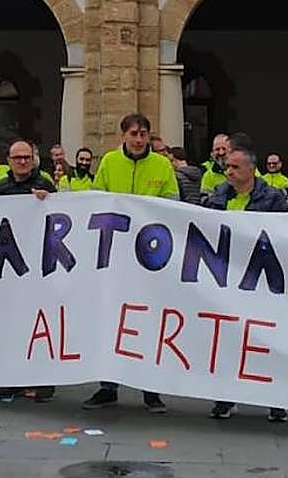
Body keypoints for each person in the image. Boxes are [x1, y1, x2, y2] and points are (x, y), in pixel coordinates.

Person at [84, 113, 179, 413]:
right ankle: (107, 386)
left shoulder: (162, 165)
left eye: (144, 134)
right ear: (123, 136)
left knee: (149, 320)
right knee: (112, 320)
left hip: (151, 256)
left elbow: (173, 203)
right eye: (134, 134)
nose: (139, 140)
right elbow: (95, 199)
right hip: (115, 255)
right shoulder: (110, 163)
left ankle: (151, 390)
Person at [204, 147, 288, 422]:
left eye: (235, 167)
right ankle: (226, 397)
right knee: (227, 339)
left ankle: (275, 399)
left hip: (262, 280)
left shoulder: (273, 198)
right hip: (227, 280)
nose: (228, 171)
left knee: (266, 340)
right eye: (227, 166)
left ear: (251, 170)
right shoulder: (217, 196)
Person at [0, 139, 59, 402]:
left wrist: (47, 201)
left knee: (41, 325)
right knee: (11, 324)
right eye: (18, 157)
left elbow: (61, 218)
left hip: (40, 264)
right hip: (9, 268)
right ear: (9, 160)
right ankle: (12, 379)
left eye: (27, 157)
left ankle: (42, 381)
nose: (22, 162)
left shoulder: (45, 185)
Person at [199, 133, 231, 198]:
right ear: (212, 153)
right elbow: (205, 201)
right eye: (217, 149)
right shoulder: (208, 176)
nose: (221, 152)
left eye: (224, 148)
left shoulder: (246, 168)